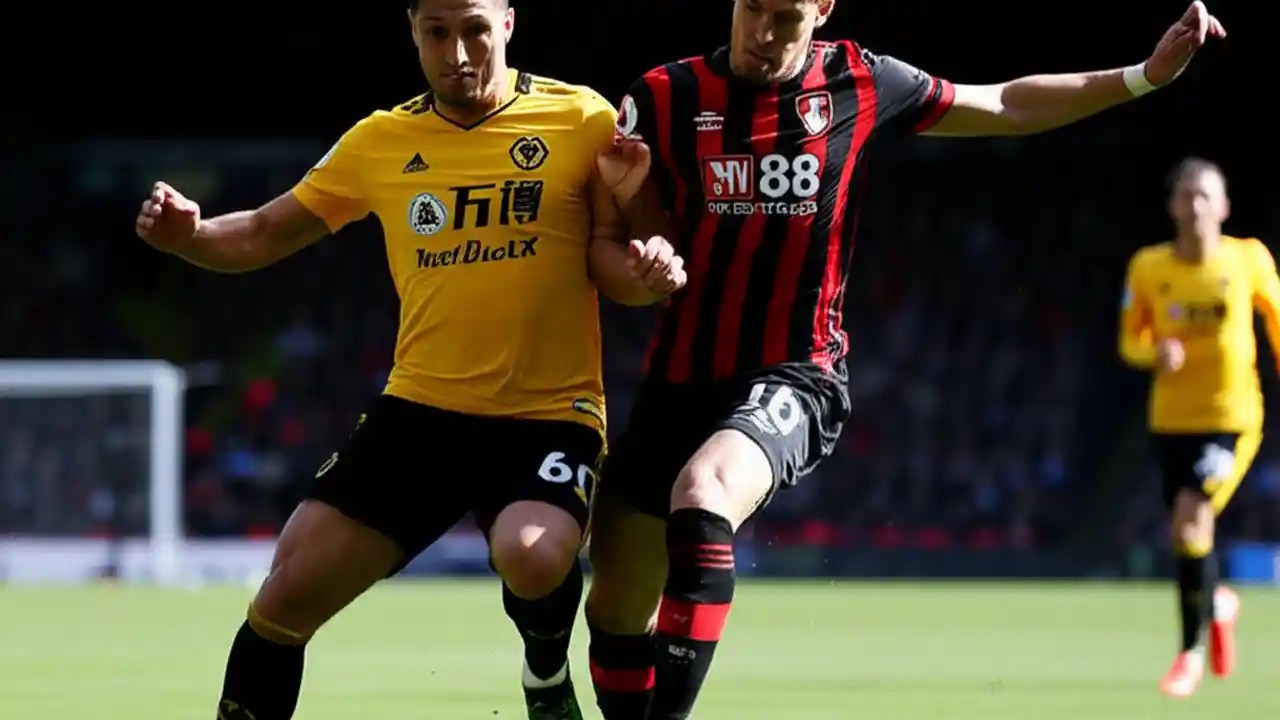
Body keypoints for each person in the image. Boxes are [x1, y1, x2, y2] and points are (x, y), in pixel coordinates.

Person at [585, 1, 1227, 717]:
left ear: (822, 9)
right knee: (614, 608)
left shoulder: (860, 79)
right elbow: (632, 233)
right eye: (753, 10)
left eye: (787, 17)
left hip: (797, 370)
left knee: (704, 497)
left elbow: (1007, 104)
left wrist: (1141, 77)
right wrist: (648, 257)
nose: (763, 33)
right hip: (680, 376)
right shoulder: (662, 96)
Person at [133, 1, 685, 719]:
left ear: (508, 24)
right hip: (421, 413)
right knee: (284, 596)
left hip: (547, 415)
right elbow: (265, 231)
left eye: (475, 30)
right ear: (414, 30)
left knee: (535, 555)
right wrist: (192, 237)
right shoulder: (381, 139)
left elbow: (623, 253)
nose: (458, 52)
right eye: (438, 33)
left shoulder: (581, 119)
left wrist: (648, 257)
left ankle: (545, 671)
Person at [1119, 158, 1274, 699]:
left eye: (1206, 195)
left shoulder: (1248, 259)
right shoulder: (1147, 267)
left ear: (1225, 206)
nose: (1196, 205)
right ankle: (1219, 604)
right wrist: (1153, 350)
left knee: (1190, 519)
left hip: (1231, 417)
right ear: (1172, 207)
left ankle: (1188, 655)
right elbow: (1129, 341)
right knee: (1189, 535)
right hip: (1171, 420)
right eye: (1186, 195)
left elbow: (1278, 320)